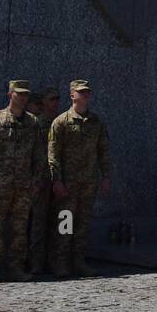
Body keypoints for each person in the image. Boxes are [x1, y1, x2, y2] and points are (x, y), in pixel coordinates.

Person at [0, 79, 46, 284]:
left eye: (26, 94)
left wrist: (36, 181)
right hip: (0, 184)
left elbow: (38, 154)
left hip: (24, 185)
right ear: (10, 95)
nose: (23, 98)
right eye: (19, 94)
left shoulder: (32, 122)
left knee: (19, 228)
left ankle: (16, 267)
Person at [48, 79, 113, 277]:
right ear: (72, 95)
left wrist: (106, 176)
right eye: (81, 92)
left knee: (83, 224)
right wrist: (56, 180)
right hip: (68, 185)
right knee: (65, 224)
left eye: (87, 92)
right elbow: (53, 154)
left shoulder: (96, 122)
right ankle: (61, 262)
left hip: (88, 183)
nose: (85, 95)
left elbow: (104, 151)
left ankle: (78, 261)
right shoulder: (61, 122)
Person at [27, 86, 62, 274]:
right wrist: (36, 180)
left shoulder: (61, 123)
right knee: (38, 223)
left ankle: (56, 260)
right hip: (41, 180)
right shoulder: (36, 124)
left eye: (57, 99)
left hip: (58, 181)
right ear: (43, 103)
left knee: (59, 223)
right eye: (51, 99)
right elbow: (36, 155)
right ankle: (36, 263)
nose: (55, 103)